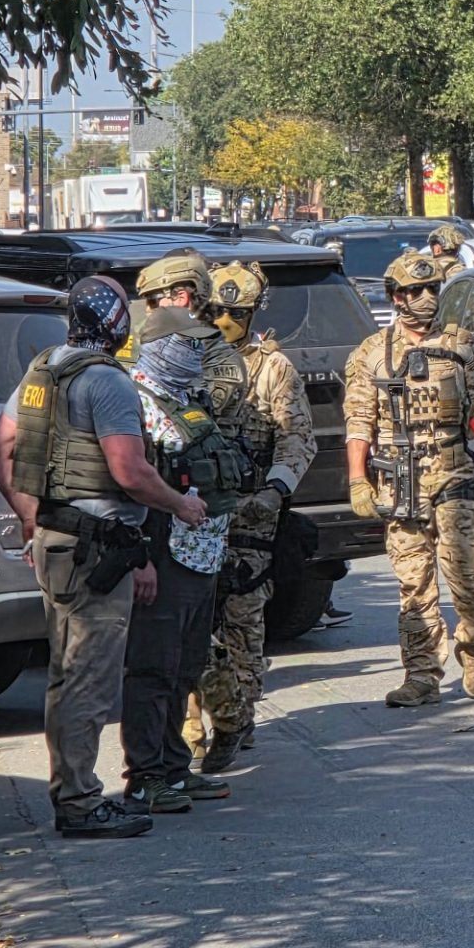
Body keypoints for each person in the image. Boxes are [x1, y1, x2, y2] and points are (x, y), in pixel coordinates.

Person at [0, 278, 208, 839]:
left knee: (65, 676)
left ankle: (72, 790)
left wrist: (28, 515)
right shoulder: (106, 381)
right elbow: (130, 471)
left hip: (55, 543)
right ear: (117, 323)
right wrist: (180, 504)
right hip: (98, 551)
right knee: (89, 678)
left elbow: (6, 446)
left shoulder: (44, 369)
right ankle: (82, 803)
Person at [344, 250, 474, 707]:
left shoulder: (464, 345)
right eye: (414, 291)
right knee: (414, 585)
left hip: (454, 472)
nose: (425, 298)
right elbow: (359, 421)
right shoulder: (371, 354)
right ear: (395, 297)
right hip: (399, 481)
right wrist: (358, 479)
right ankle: (421, 675)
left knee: (469, 578)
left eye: (432, 289)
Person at [121, 306, 251, 815]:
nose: (198, 352)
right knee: (152, 669)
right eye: (188, 344)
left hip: (202, 554)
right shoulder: (133, 401)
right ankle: (145, 775)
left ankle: (174, 769)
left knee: (184, 667)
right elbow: (129, 484)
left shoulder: (186, 398)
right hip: (163, 553)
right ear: (160, 347)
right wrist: (140, 559)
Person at [196, 262, 317, 771]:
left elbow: (296, 437)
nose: (226, 321)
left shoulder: (273, 368)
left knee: (243, 617)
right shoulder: (190, 359)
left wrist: (275, 489)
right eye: (217, 311)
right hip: (197, 509)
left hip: (251, 512)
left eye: (236, 313)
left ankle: (238, 715)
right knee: (196, 617)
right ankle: (192, 723)